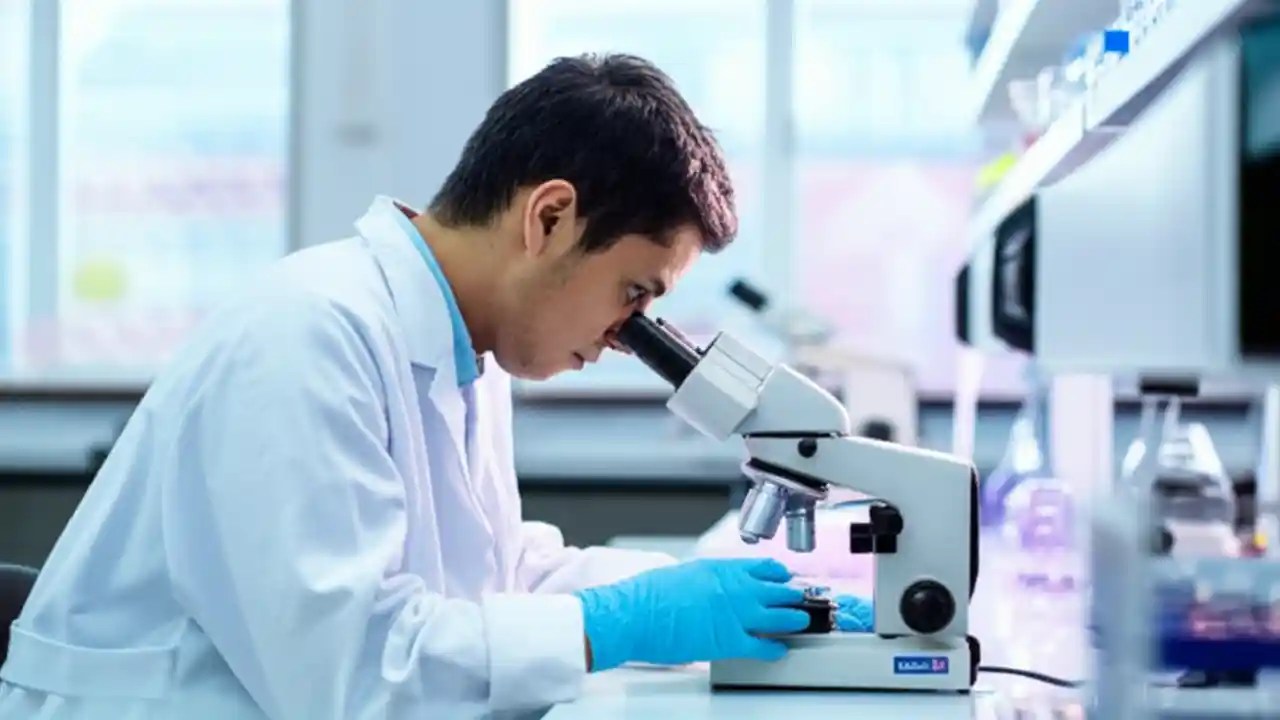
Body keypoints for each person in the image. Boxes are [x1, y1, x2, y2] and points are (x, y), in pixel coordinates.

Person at [0, 53, 870, 719]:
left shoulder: (463, 354)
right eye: (633, 294)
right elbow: (351, 673)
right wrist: (620, 621)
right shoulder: (309, 333)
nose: (624, 335)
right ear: (549, 216)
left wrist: (695, 590)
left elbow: (486, 579)